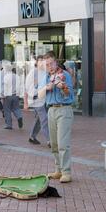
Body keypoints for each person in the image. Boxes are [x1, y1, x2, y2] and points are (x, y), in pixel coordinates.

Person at [39, 54, 75, 183]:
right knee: (54, 143)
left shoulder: (65, 75)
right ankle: (58, 170)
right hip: (51, 110)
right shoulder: (46, 77)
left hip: (64, 109)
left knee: (63, 143)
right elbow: (39, 95)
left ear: (56, 62)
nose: (49, 67)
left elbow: (69, 93)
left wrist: (62, 86)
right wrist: (46, 87)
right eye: (46, 65)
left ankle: (66, 172)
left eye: (51, 64)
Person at [24, 56, 50, 147]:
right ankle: (50, 141)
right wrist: (26, 102)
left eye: (44, 60)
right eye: (40, 60)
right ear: (37, 62)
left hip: (44, 99)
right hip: (36, 100)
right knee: (44, 119)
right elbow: (26, 88)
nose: (42, 62)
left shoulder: (46, 72)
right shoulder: (33, 72)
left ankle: (32, 136)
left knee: (40, 120)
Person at [2, 62, 23, 130]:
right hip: (15, 95)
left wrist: (3, 95)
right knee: (16, 108)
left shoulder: (6, 77)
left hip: (8, 96)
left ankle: (9, 125)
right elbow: (19, 86)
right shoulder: (16, 76)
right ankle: (19, 116)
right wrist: (19, 94)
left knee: (7, 110)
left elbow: (5, 87)